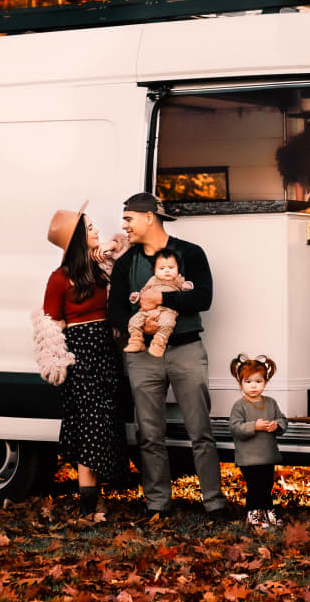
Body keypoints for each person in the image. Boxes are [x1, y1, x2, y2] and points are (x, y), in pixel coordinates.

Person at [108, 192, 227, 522]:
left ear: (149, 217)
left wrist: (162, 297)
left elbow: (204, 297)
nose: (124, 226)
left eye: (129, 218)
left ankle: (214, 503)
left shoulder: (190, 253)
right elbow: (115, 311)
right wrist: (140, 329)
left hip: (187, 350)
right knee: (149, 433)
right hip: (142, 357)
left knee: (200, 430)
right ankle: (158, 504)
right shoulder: (125, 264)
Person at [42, 202, 129, 520]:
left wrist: (106, 247)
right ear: (77, 237)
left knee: (105, 423)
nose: (96, 230)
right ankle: (89, 506)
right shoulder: (59, 278)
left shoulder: (101, 267)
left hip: (106, 352)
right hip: (81, 355)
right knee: (89, 427)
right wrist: (61, 362)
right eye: (89, 227)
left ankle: (96, 500)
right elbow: (51, 324)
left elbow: (126, 249)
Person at [227, 355, 287, 528]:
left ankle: (268, 510)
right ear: (240, 383)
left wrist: (277, 425)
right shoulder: (240, 406)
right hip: (249, 457)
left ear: (265, 383)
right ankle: (253, 512)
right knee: (255, 486)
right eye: (248, 381)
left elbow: (283, 420)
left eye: (258, 381)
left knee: (267, 485)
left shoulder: (271, 403)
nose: (253, 386)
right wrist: (255, 426)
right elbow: (235, 427)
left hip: (268, 455)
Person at [124, 248, 194, 356]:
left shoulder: (178, 280)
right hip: (147, 310)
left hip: (167, 310)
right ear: (155, 271)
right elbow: (144, 294)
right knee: (134, 321)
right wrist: (136, 297)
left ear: (178, 269)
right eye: (162, 268)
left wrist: (187, 286)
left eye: (171, 268)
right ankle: (136, 340)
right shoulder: (152, 280)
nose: (167, 271)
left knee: (167, 323)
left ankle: (159, 343)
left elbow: (186, 292)